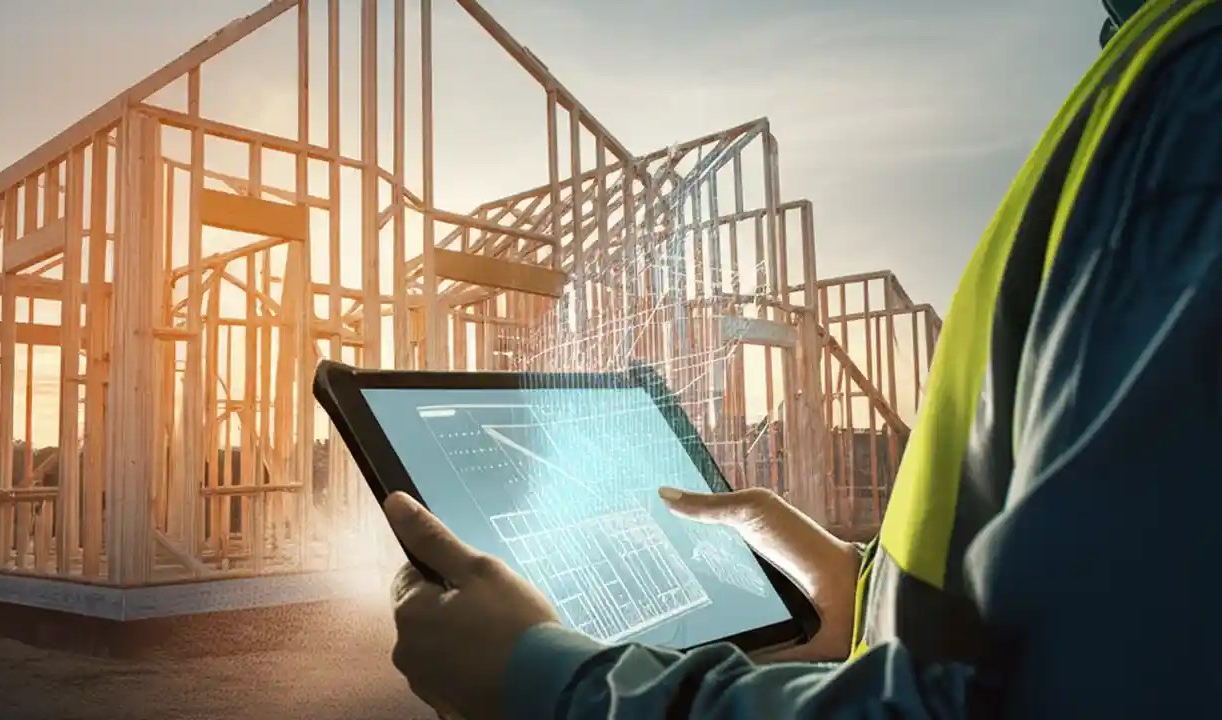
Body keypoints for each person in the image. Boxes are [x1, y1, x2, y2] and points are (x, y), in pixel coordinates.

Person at [384, 0, 1222, 717]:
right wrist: (859, 597)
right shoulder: (1158, 71)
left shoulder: (1191, 94)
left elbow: (1052, 696)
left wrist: (558, 687)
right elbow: (1053, 626)